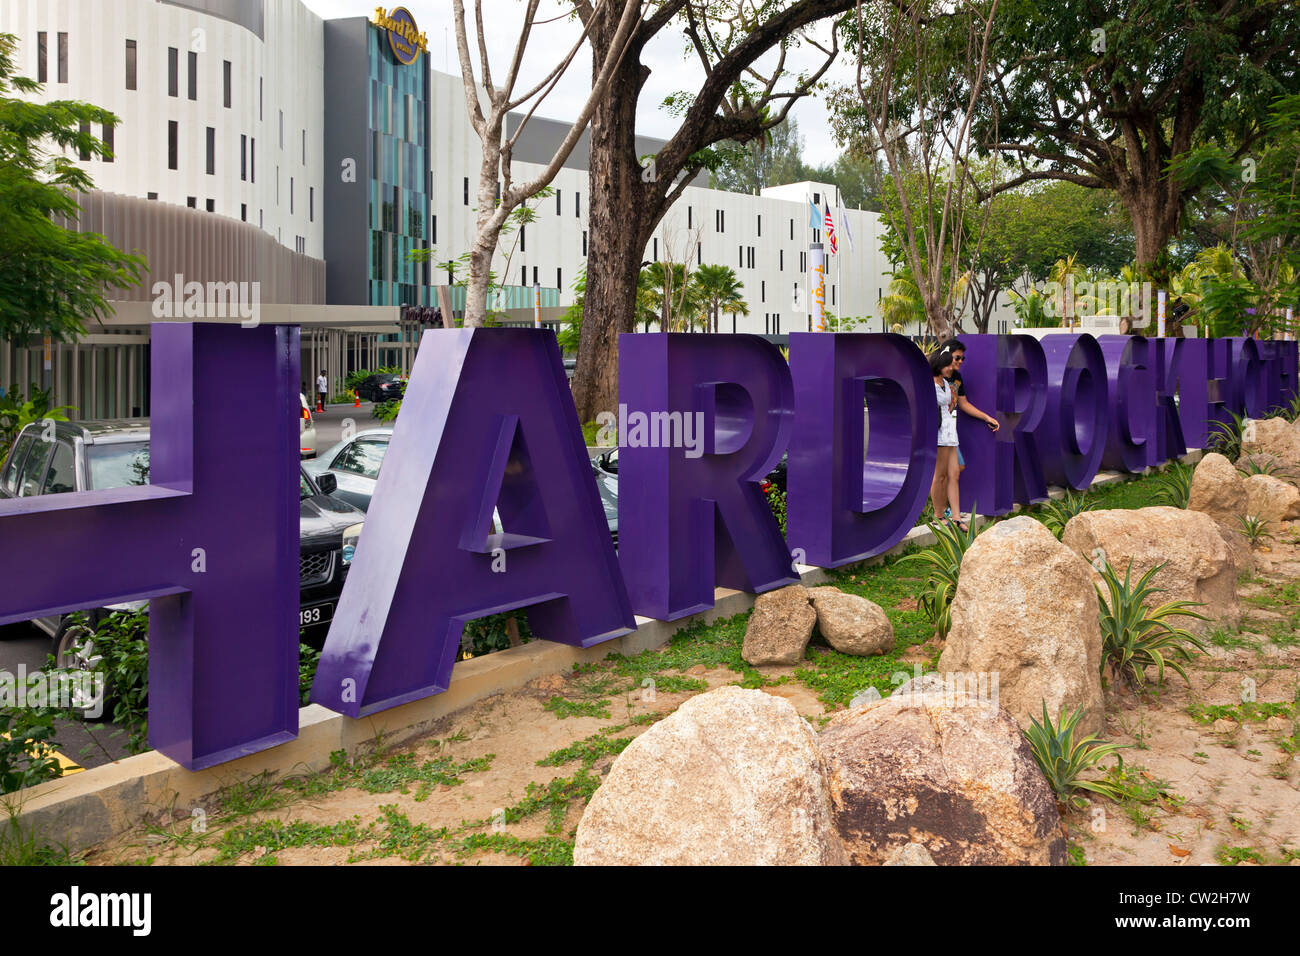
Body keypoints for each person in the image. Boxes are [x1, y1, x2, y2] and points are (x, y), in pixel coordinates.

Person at [929, 348, 965, 531]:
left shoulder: (945, 382)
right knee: (940, 475)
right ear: (939, 364)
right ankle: (938, 515)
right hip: (939, 432)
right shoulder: (929, 383)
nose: (951, 367)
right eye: (947, 364)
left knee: (954, 474)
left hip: (950, 431)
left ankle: (957, 517)